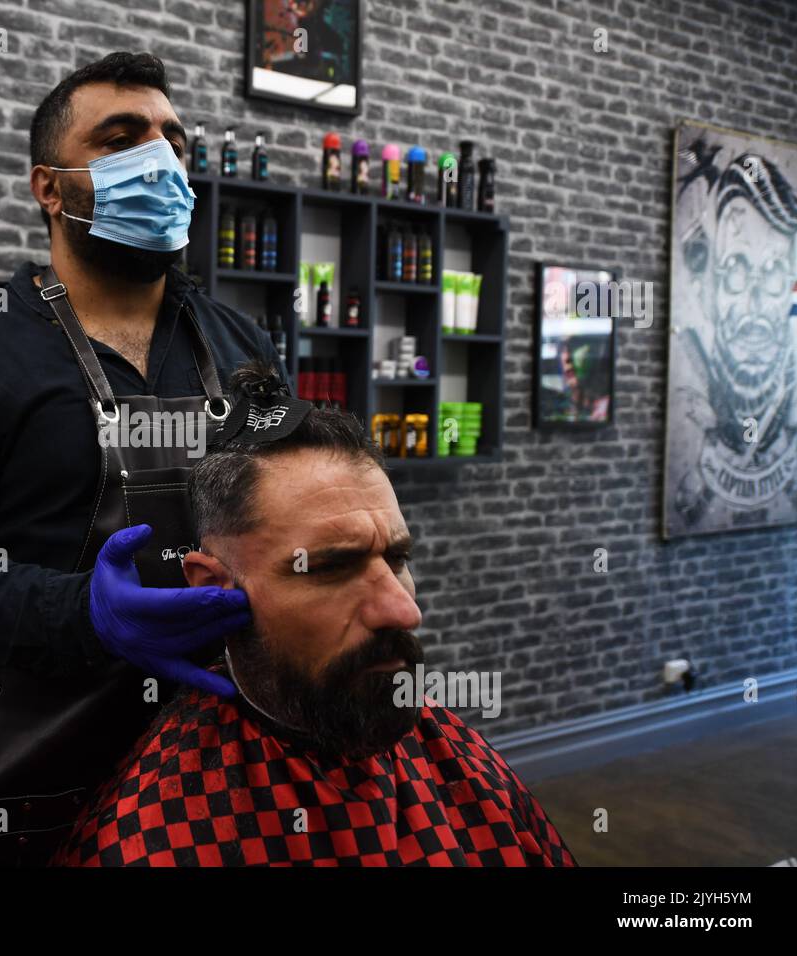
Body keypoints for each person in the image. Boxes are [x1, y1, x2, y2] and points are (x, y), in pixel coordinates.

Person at [0, 52, 287, 866]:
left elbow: (286, 510)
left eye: (173, 140)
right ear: (49, 188)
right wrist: (83, 614)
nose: (159, 160)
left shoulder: (242, 343)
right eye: (121, 139)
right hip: (46, 773)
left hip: (236, 754)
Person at [51, 361, 578, 866]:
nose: (404, 610)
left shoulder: (458, 757)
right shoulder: (154, 833)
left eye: (396, 560)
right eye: (330, 569)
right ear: (213, 585)